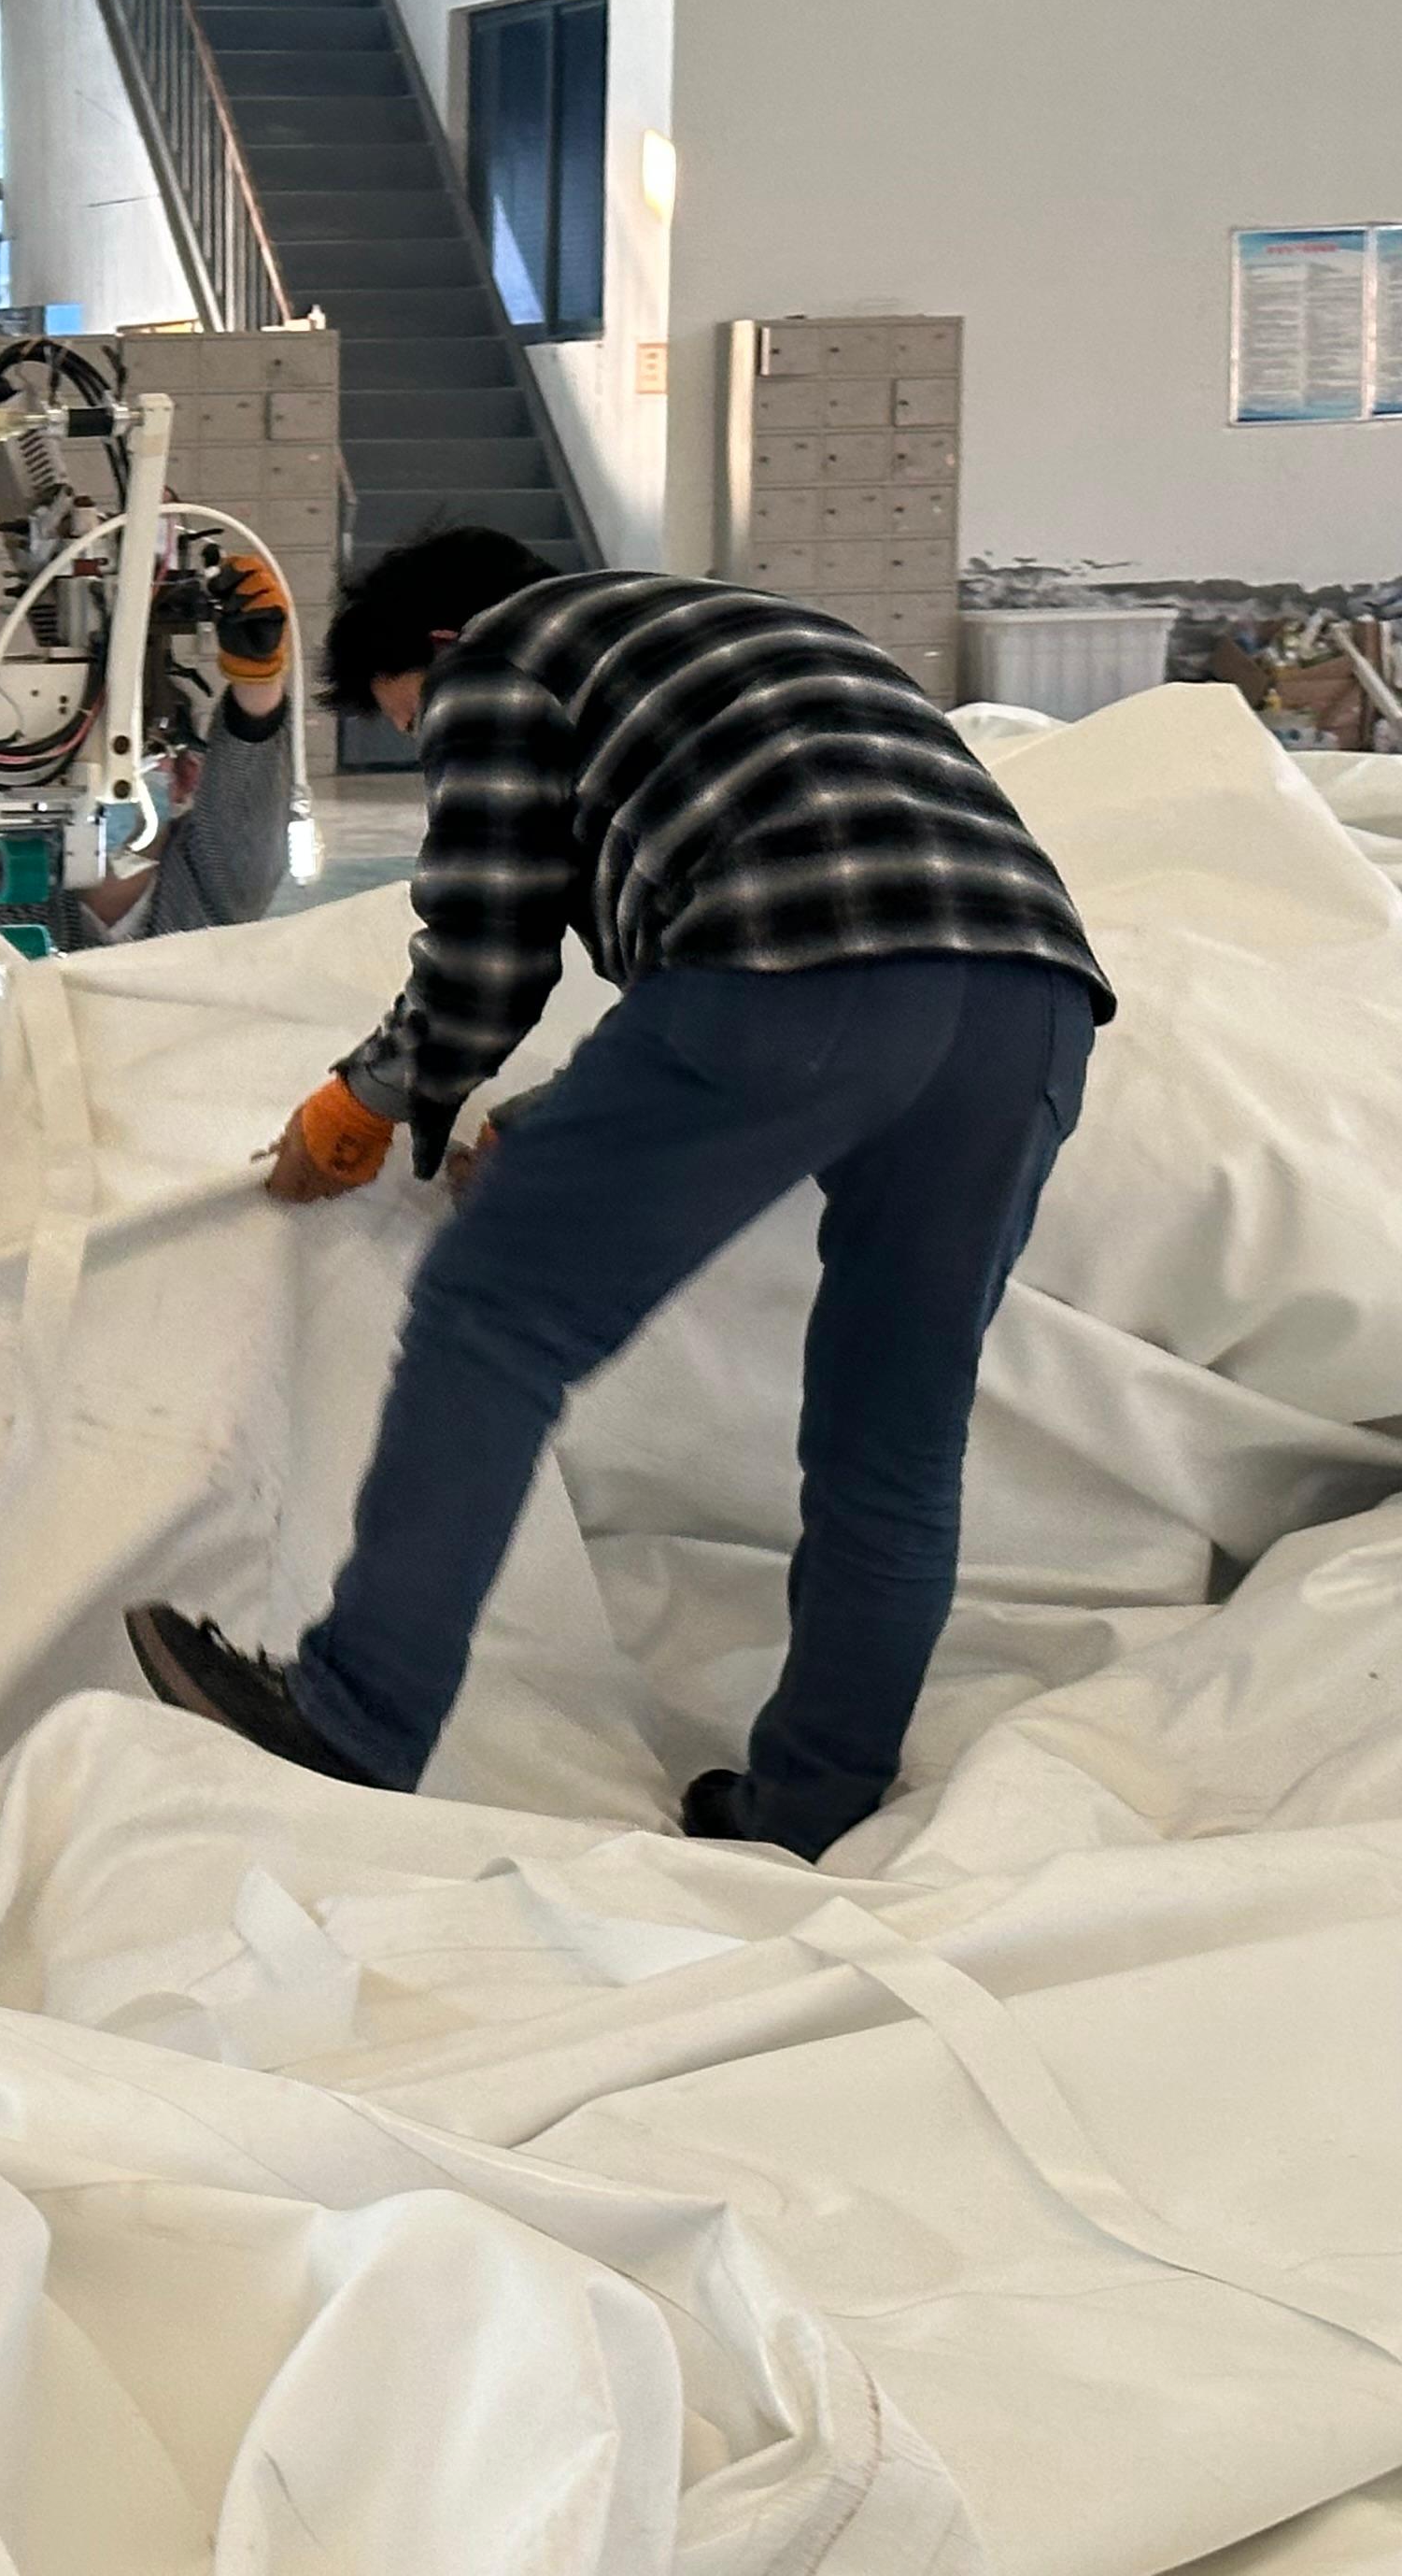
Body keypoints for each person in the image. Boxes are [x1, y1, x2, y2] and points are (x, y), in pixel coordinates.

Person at [127, 528, 1111, 1861]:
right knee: (896, 1432)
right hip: (1030, 1006)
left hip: (797, 963)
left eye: (416, 728)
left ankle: (354, 1716)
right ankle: (811, 1809)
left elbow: (490, 951)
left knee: (491, 1316)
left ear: (438, 650)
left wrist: (366, 1099)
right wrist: (543, 1127)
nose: (434, 753)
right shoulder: (774, 633)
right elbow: (774, 993)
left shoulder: (500, 656)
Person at [0, 549, 297, 950]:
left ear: (186, 777)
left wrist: (257, 674)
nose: (108, 776)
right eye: (82, 756)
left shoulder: (214, 880)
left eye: (139, 754)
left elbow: (247, 810)